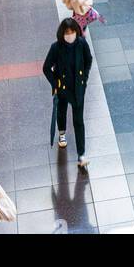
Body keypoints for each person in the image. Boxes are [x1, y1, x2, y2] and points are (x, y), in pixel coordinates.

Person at [42, 18, 93, 163]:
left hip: (78, 88)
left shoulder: (81, 43)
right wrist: (55, 83)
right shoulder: (56, 47)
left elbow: (88, 60)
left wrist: (85, 78)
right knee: (61, 111)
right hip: (63, 87)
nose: (70, 35)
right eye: (67, 32)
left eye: (72, 32)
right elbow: (46, 68)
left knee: (78, 121)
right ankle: (62, 133)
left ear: (76, 31)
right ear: (62, 33)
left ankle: (81, 154)